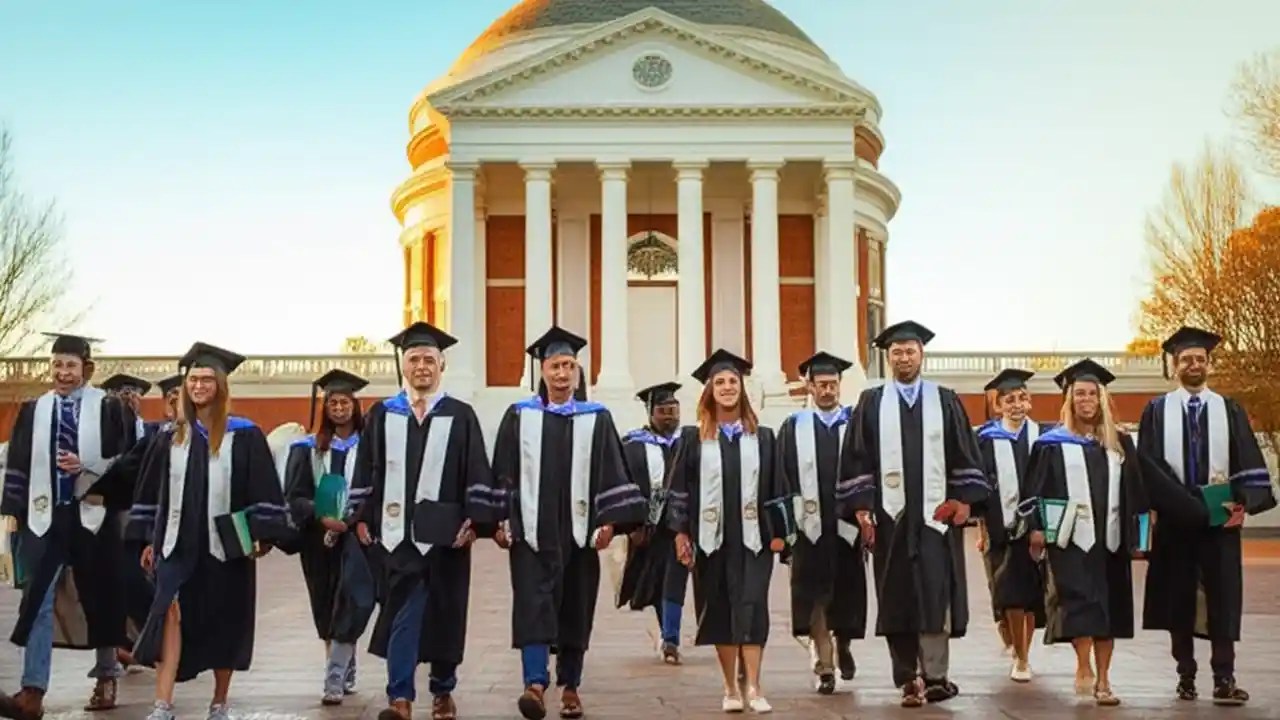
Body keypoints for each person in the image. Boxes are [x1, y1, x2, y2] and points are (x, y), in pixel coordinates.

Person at [127, 342, 293, 720]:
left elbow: (263, 488)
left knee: (226, 619)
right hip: (176, 541)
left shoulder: (243, 435)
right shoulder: (171, 436)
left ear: (220, 385)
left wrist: (261, 536)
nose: (199, 386)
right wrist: (148, 541)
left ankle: (219, 703)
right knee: (169, 611)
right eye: (193, 379)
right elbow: (153, 491)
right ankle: (162, 703)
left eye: (206, 379)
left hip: (224, 543)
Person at [490, 326, 648, 720]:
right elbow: (503, 473)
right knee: (532, 605)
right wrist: (499, 520)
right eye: (556, 366)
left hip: (580, 536)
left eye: (570, 366)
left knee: (575, 609)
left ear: (578, 373)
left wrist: (610, 524)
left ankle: (571, 686)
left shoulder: (597, 418)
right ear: (542, 371)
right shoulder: (519, 416)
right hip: (531, 533)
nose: (563, 374)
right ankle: (535, 683)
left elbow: (614, 472)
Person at [350, 322, 498, 720]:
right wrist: (360, 516)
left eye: (428, 359)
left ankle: (442, 689)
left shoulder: (460, 415)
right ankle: (400, 696)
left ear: (442, 365)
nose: (421, 366)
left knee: (446, 612)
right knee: (402, 612)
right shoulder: (382, 414)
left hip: (447, 536)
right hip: (396, 536)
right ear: (403, 365)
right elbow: (366, 470)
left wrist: (475, 521)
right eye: (413, 359)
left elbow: (477, 472)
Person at [838, 321, 986, 708]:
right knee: (897, 595)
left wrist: (963, 501)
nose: (904, 358)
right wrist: (862, 510)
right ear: (888, 358)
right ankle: (906, 678)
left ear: (922, 354)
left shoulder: (945, 400)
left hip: (935, 519)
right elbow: (856, 458)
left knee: (935, 593)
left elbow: (965, 454)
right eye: (897, 352)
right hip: (891, 520)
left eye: (910, 351)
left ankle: (936, 676)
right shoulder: (871, 403)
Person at [1137, 326, 1276, 705]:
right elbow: (1147, 465)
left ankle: (1224, 678)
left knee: (1223, 598)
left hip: (1219, 520)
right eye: (1186, 359)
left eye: (1200, 359)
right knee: (1178, 598)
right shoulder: (1156, 410)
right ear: (1174, 365)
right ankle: (1186, 676)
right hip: (1175, 520)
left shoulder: (1228, 409)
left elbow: (1247, 458)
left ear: (1208, 364)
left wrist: (1243, 502)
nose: (1193, 364)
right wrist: (1180, 504)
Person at [0, 333, 132, 719]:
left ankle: (106, 675)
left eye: (70, 365)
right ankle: (32, 692)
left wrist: (87, 466)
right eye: (57, 365)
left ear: (86, 369)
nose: (63, 372)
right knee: (36, 600)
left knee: (101, 596)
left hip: (94, 514)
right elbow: (20, 465)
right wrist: (13, 512)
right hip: (45, 517)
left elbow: (127, 461)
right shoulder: (33, 410)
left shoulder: (109, 409)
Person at [666, 349, 792, 714]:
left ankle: (753, 685)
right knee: (719, 607)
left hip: (755, 539)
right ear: (709, 390)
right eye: (719, 382)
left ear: (742, 388)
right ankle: (729, 687)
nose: (726, 387)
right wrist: (680, 533)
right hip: (711, 540)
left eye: (732, 381)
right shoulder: (694, 439)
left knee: (753, 607)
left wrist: (781, 535)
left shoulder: (764, 438)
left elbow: (778, 487)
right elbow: (679, 489)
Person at [1025, 358, 1151, 707]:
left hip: (1110, 539)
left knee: (1109, 610)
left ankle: (1105, 680)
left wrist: (1140, 541)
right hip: (1070, 538)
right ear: (1069, 399)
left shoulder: (1120, 442)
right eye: (1079, 393)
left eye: (1091, 393)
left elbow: (1138, 495)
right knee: (1079, 604)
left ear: (1101, 398)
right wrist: (1036, 529)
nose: (1085, 399)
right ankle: (1083, 666)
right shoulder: (1050, 444)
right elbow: (1033, 491)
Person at [776, 351, 866, 694]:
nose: (828, 390)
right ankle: (824, 664)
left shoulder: (855, 423)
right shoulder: (793, 427)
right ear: (809, 387)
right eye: (821, 385)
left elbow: (866, 469)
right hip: (808, 525)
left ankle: (843, 644)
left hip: (846, 525)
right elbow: (783, 478)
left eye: (833, 384)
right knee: (812, 594)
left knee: (846, 592)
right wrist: (787, 527)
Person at [281, 369, 372, 705]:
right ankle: (341, 663)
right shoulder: (307, 448)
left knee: (352, 598)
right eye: (333, 402)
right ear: (325, 408)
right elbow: (294, 493)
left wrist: (353, 520)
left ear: (355, 405)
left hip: (355, 535)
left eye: (345, 401)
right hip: (317, 539)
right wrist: (321, 517)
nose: (339, 408)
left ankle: (334, 674)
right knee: (324, 604)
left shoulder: (368, 445)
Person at [974, 368, 1046, 683]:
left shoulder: (1044, 437)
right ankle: (1016, 646)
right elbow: (979, 486)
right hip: (999, 528)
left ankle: (1022, 656)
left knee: (1027, 595)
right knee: (1004, 594)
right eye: (1009, 400)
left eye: (1022, 398)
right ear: (999, 405)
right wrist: (982, 530)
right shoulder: (985, 439)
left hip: (1035, 529)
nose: (1017, 404)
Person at [615, 381, 686, 664]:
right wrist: (631, 524)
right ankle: (667, 631)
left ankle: (671, 638)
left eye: (673, 410)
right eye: (663, 411)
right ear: (650, 413)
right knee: (656, 581)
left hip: (679, 523)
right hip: (648, 526)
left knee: (674, 578)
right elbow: (624, 483)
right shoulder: (632, 445)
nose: (669, 416)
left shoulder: (687, 441)